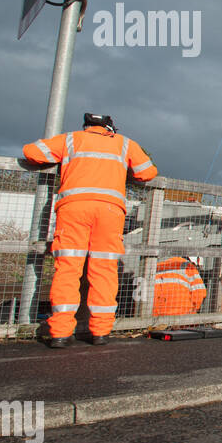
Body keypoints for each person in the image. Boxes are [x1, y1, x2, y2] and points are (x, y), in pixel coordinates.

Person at [22, 113, 157, 347]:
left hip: (73, 209)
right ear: (109, 128)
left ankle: (61, 333)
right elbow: (147, 172)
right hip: (110, 211)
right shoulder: (124, 143)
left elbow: (31, 152)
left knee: (68, 268)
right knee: (104, 269)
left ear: (87, 126)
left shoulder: (70, 140)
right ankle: (101, 332)